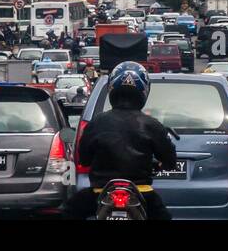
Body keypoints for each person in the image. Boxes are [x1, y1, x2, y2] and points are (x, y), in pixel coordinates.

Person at [64, 62, 177, 220]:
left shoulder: (96, 122)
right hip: (141, 192)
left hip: (100, 192)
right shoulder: (152, 124)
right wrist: (157, 165)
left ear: (112, 89)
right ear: (144, 91)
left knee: (68, 211)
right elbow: (171, 161)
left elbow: (84, 159)